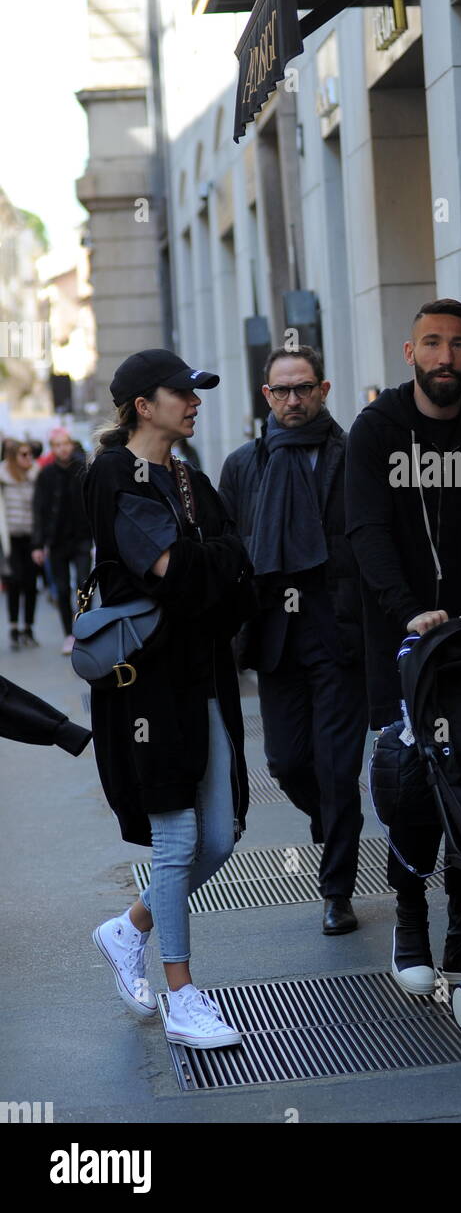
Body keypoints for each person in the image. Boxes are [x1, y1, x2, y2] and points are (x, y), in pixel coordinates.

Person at [344, 297, 461, 993]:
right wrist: (410, 610)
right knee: (411, 781)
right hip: (401, 637)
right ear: (409, 353)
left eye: (457, 344)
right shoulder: (374, 432)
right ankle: (408, 911)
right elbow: (365, 532)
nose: (444, 356)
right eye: (431, 343)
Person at [83, 349, 255, 1050]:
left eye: (196, 391)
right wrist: (208, 568)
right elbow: (170, 570)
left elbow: (233, 575)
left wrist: (204, 569)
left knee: (221, 836)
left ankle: (128, 928)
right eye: (180, 391)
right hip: (145, 684)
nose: (195, 401)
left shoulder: (191, 479)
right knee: (178, 837)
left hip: (202, 674)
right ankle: (182, 996)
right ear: (141, 405)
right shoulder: (111, 475)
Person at [219, 345, 367, 937]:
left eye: (303, 387)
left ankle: (338, 891)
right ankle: (332, 823)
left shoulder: (353, 455)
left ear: (324, 389)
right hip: (275, 635)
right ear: (266, 397)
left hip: (337, 633)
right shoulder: (243, 466)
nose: (293, 399)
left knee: (336, 769)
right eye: (281, 390)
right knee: (285, 763)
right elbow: (229, 557)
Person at [31, 429, 93, 654]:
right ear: (52, 447)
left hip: (82, 537)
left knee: (84, 585)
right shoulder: (46, 474)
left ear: (71, 444)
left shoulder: (83, 469)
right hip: (56, 540)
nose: (62, 449)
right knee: (62, 589)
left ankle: (87, 631)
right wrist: (38, 544)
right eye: (57, 445)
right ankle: (69, 633)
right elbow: (38, 509)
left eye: (65, 444)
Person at [0, 439, 39, 649]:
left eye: (30, 454)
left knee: (31, 584)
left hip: (32, 537)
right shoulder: (2, 476)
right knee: (14, 582)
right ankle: (14, 627)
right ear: (13, 456)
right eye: (23, 454)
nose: (28, 458)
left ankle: (29, 627)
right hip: (11, 538)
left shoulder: (36, 474)